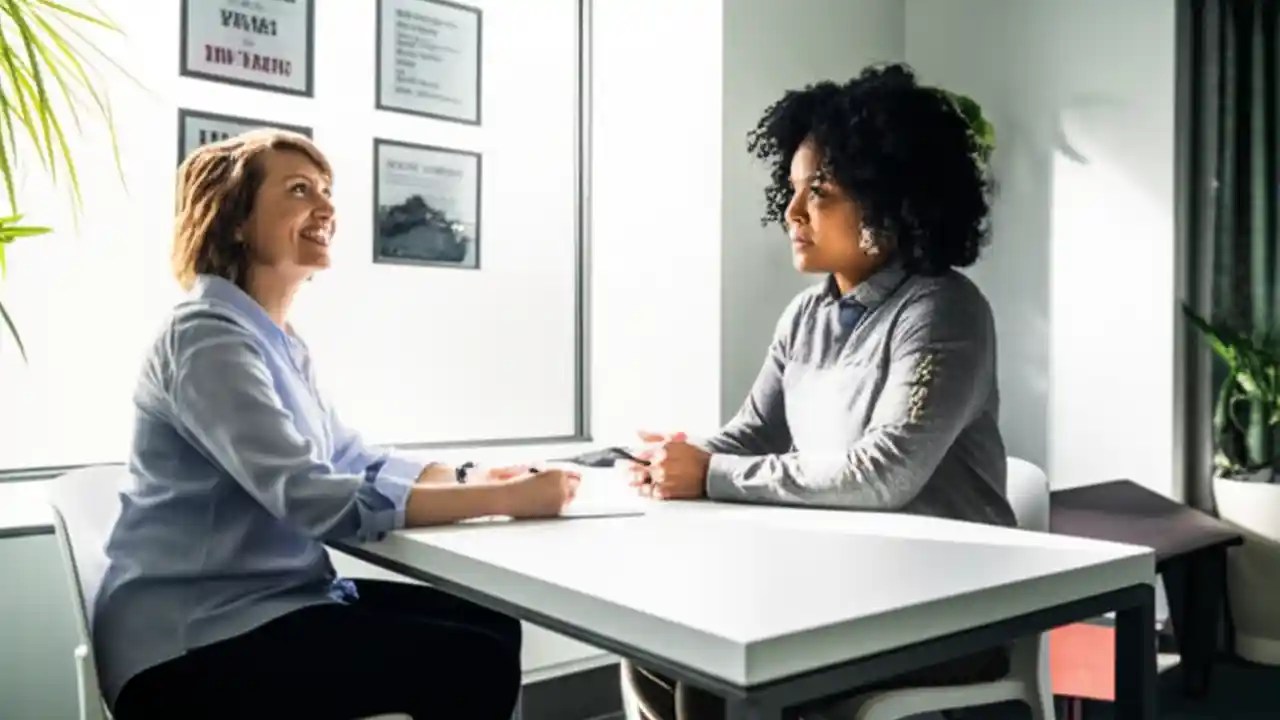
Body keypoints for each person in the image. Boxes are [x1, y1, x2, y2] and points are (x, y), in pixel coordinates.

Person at [93, 129, 580, 720]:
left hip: (269, 604)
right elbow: (309, 496)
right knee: (470, 659)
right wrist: (503, 499)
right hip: (189, 646)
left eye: (326, 190)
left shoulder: (274, 341)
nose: (326, 208)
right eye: (299, 190)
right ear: (236, 219)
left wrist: (471, 476)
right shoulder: (206, 340)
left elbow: (349, 459)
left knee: (492, 627)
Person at [619, 63, 1017, 720]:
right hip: (841, 585)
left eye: (820, 191)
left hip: (946, 601)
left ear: (889, 200)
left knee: (717, 675)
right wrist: (672, 462)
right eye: (793, 188)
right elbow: (751, 433)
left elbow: (884, 474)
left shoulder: (944, 310)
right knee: (664, 648)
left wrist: (713, 474)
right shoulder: (806, 314)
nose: (792, 211)